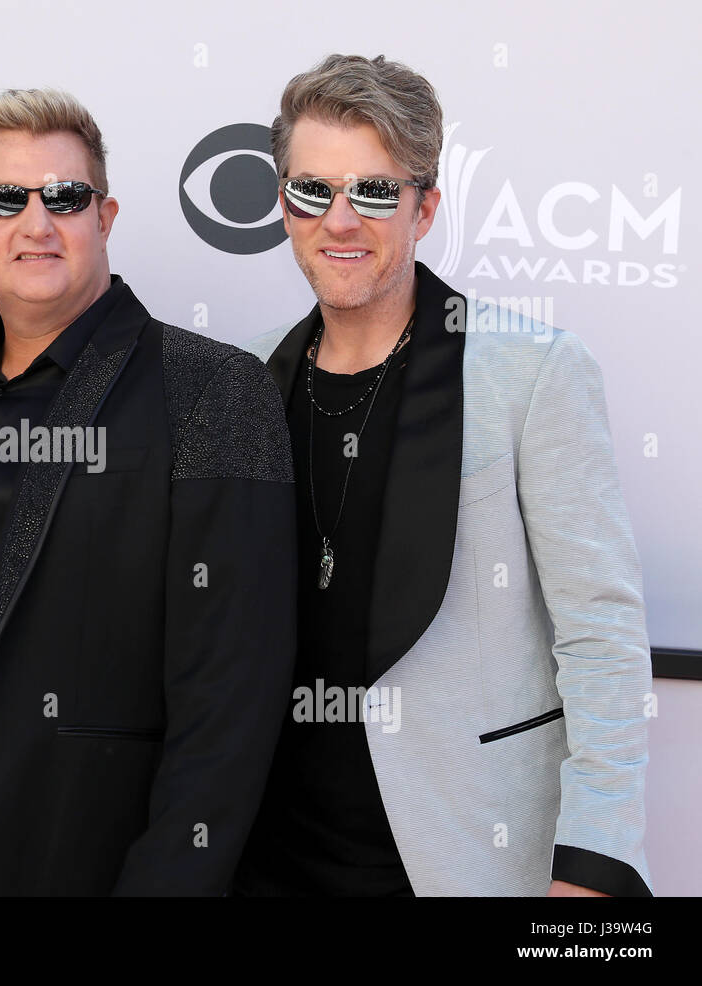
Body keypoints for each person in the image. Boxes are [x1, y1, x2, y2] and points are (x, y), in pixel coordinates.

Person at [0, 88, 296, 896]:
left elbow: (232, 699)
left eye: (64, 196)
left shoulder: (214, 389)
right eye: (4, 199)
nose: (37, 222)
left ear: (105, 216)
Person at [235, 54, 652, 896]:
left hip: (466, 856)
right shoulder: (249, 387)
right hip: (269, 857)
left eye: (376, 192)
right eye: (314, 190)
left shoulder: (533, 371)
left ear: (425, 208)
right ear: (283, 205)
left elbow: (601, 634)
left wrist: (596, 868)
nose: (341, 220)